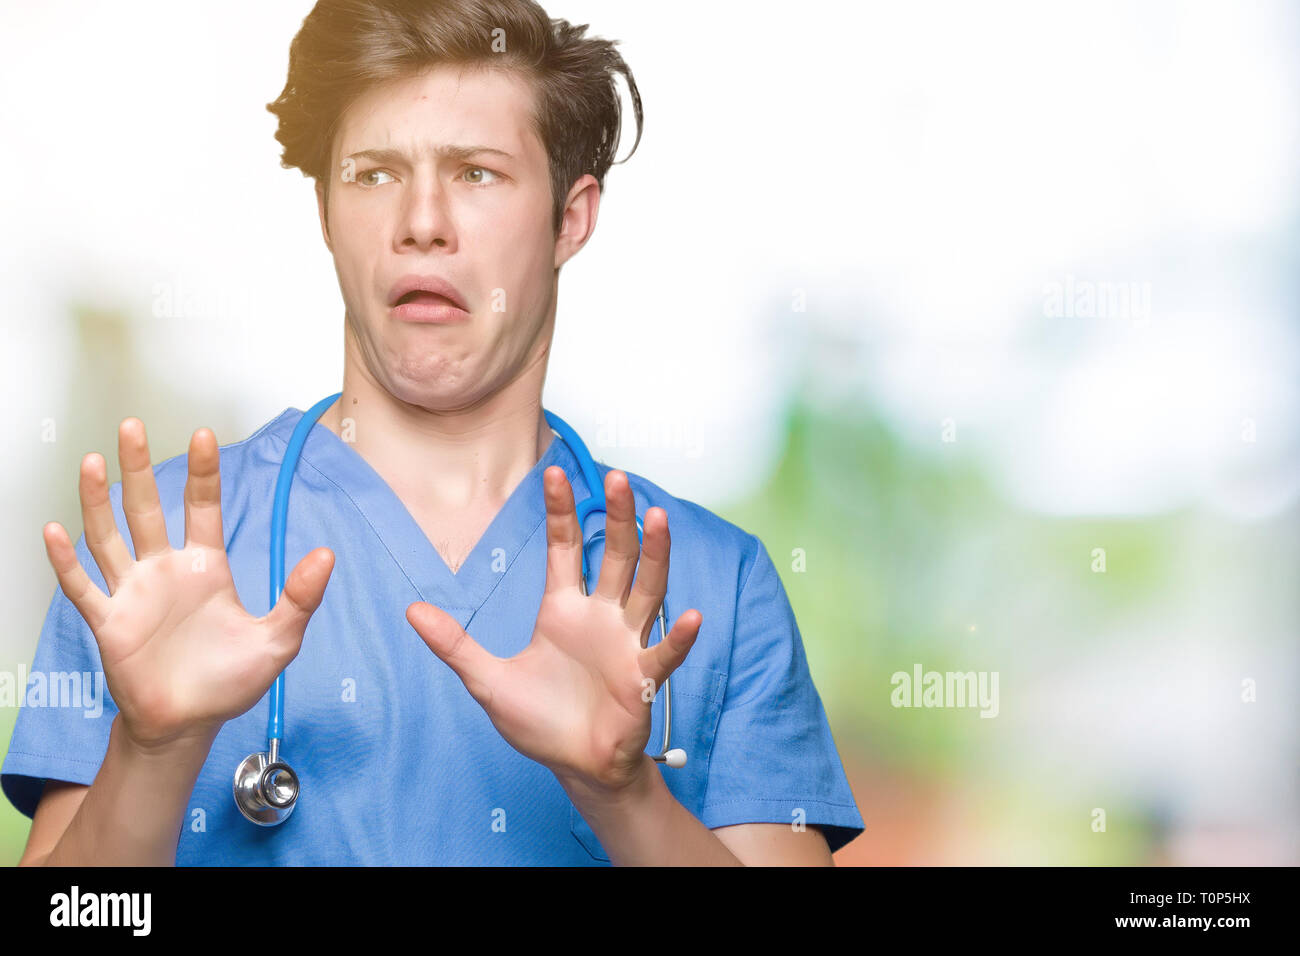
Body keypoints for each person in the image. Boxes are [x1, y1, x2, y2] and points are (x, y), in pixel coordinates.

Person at [2, 0, 864, 866]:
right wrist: (152, 753)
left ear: (572, 218)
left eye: (476, 173)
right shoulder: (152, 565)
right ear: (325, 213)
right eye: (373, 174)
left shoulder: (722, 589)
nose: (422, 220)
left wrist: (622, 792)